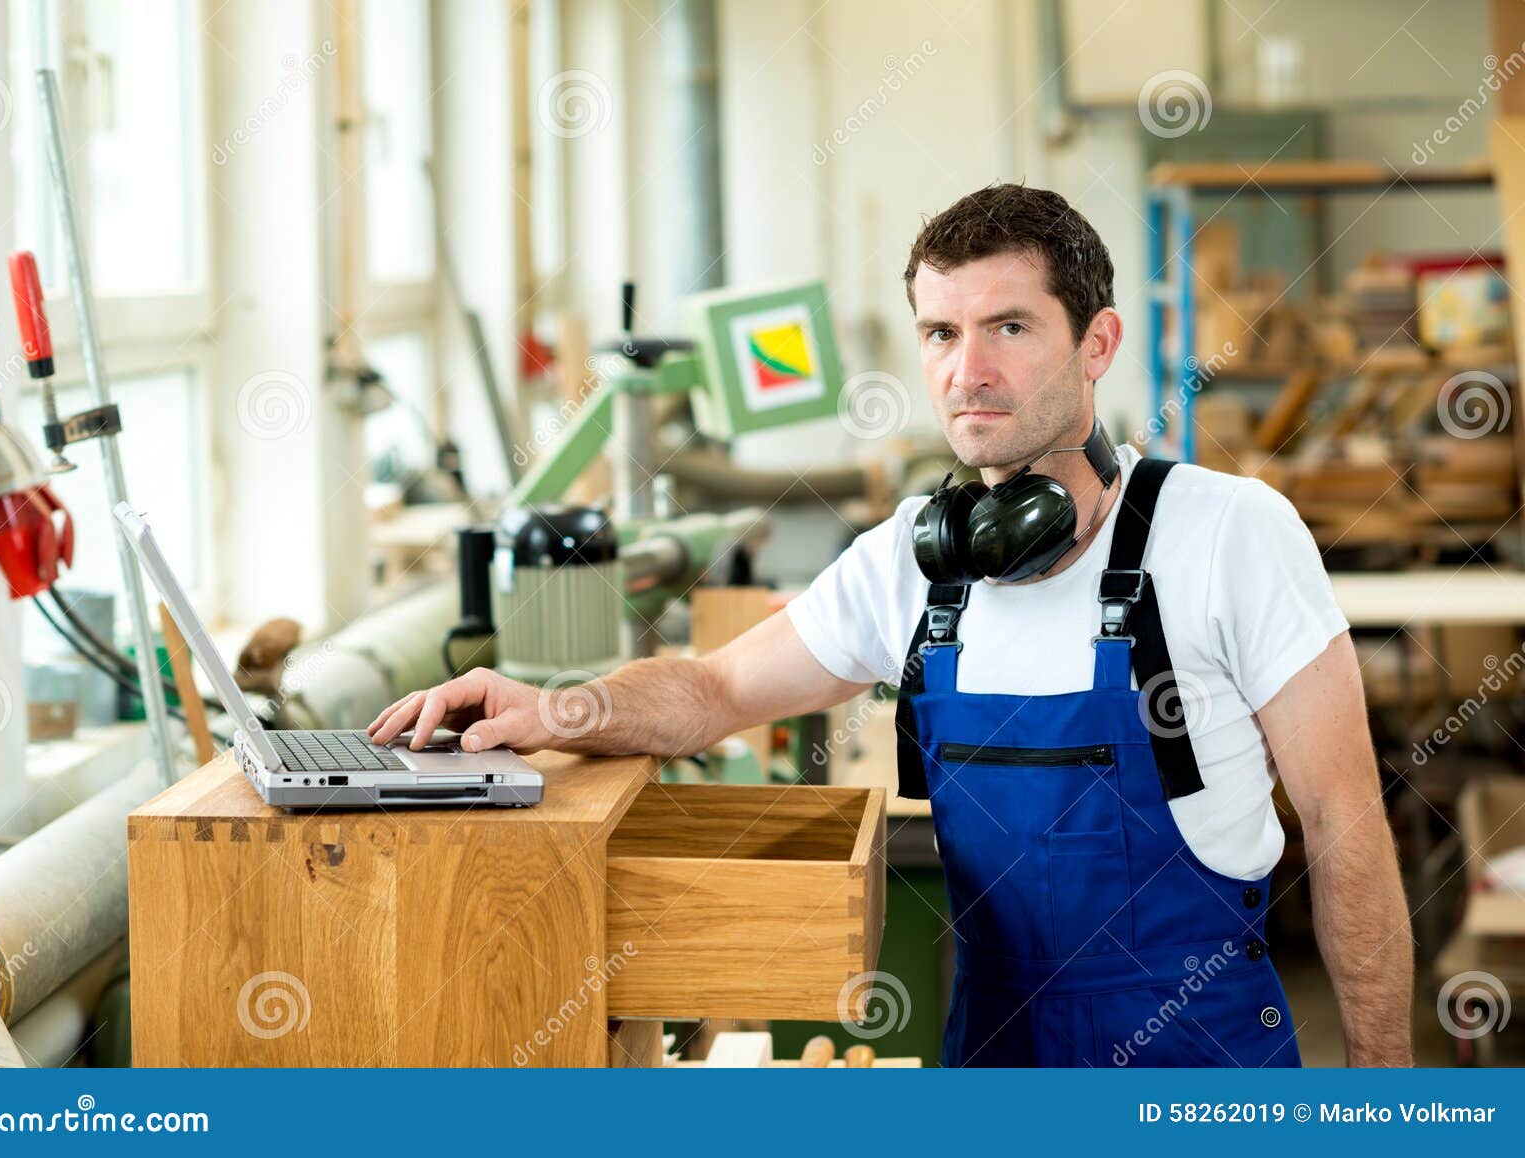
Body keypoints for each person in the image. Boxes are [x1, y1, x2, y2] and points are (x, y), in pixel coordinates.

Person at [368, 183, 1413, 1068]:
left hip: (1197, 1066)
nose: (969, 371)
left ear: (1096, 342)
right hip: (994, 1053)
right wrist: (552, 706)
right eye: (940, 333)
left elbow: (1344, 825)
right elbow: (717, 692)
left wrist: (1386, 1110)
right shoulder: (916, 559)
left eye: (1009, 327)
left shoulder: (1229, 533)